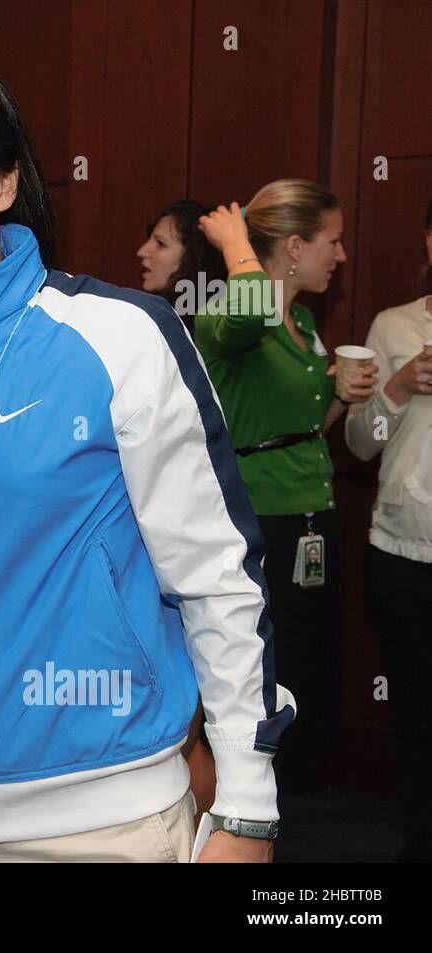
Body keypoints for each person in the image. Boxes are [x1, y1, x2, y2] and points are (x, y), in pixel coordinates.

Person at [0, 43, 289, 863]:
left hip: (103, 823)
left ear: (5, 182)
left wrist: (247, 807)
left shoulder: (118, 338)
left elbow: (218, 575)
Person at [195, 181, 375, 795]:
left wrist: (339, 397)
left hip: (310, 517)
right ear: (295, 246)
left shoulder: (301, 321)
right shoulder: (230, 311)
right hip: (257, 519)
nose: (341, 256)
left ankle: (296, 808)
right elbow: (249, 309)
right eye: (334, 241)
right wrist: (237, 244)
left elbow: (296, 431)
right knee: (261, 672)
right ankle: (248, 811)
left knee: (308, 663)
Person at [344, 197, 432, 861]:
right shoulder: (393, 325)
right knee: (415, 713)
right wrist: (397, 388)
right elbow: (362, 443)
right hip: (405, 551)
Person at [136, 199, 225, 331]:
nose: (141, 252)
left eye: (160, 243)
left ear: (193, 257)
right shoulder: (147, 315)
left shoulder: (212, 326)